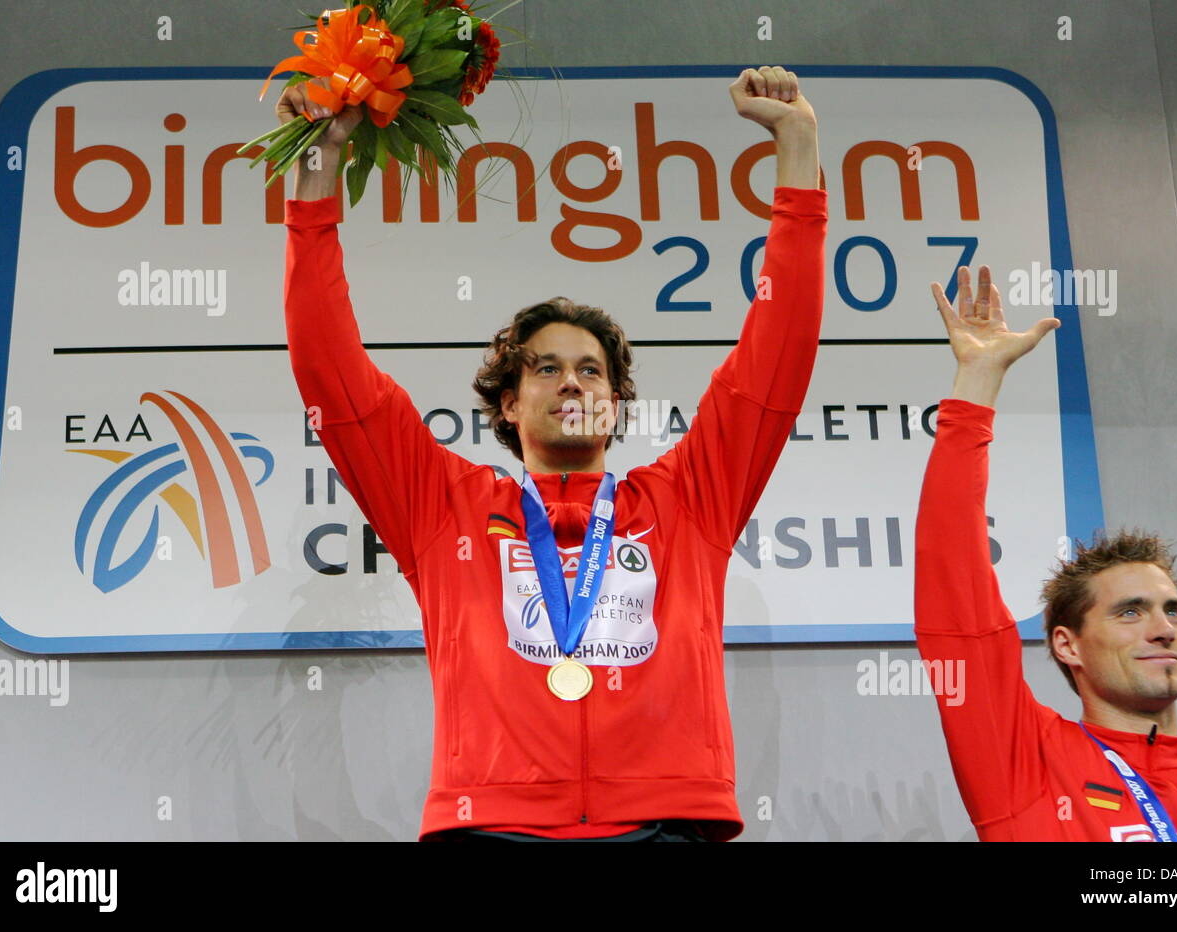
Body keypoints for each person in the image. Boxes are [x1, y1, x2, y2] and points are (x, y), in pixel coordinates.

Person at [278, 66, 826, 840]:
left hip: (665, 822)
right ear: (509, 402)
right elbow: (329, 372)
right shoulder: (443, 506)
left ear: (614, 402)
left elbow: (776, 360)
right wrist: (316, 169)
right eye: (545, 368)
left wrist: (798, 149)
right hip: (494, 821)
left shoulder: (688, 501)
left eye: (591, 370)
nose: (571, 382)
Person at [914, 264, 1177, 841]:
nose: (1163, 629)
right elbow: (952, 596)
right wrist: (976, 385)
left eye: (1172, 610)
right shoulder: (1026, 764)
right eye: (1130, 611)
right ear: (1066, 643)